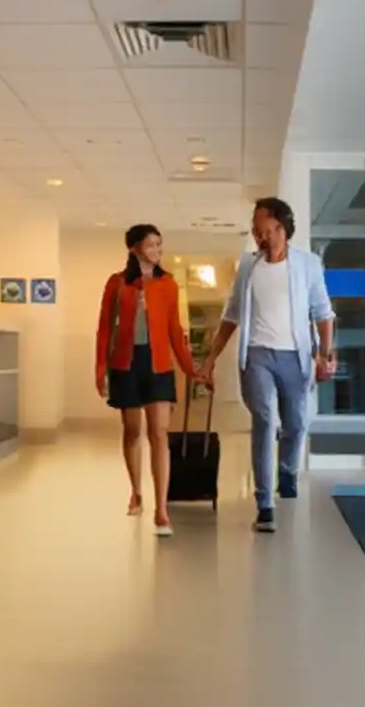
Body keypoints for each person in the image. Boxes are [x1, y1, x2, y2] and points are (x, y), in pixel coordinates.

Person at [197, 197, 336, 533]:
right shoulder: (248, 266)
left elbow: (323, 313)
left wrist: (325, 354)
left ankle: (287, 472)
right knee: (263, 418)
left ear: (283, 228)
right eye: (257, 231)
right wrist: (210, 360)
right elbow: (231, 318)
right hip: (257, 354)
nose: (262, 237)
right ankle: (264, 504)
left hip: (296, 356)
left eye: (268, 230)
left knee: (296, 423)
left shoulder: (307, 265)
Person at [96, 224, 204, 537]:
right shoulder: (117, 284)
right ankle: (136, 492)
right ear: (134, 248)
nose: (157, 250)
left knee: (159, 433)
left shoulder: (168, 284)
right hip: (125, 364)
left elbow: (174, 330)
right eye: (151, 245)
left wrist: (190, 369)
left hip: (158, 365)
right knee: (132, 432)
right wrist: (100, 369)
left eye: (160, 244)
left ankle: (162, 510)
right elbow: (105, 329)